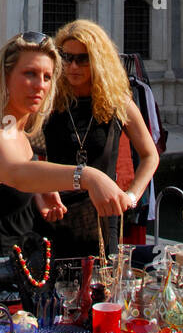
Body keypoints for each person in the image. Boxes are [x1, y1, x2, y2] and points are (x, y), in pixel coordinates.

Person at [0, 31, 129, 259]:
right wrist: (88, 176)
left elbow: (13, 181)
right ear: (5, 77)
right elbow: (17, 173)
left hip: (17, 270)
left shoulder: (15, 130)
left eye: (47, 77)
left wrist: (37, 190)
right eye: (30, 74)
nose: (40, 85)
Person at [41, 19, 159, 257]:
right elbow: (25, 149)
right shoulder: (49, 99)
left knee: (101, 284)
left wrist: (131, 196)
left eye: (82, 59)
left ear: (97, 61)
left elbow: (150, 155)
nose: (72, 66)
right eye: (66, 57)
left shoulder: (118, 101)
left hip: (102, 213)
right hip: (55, 208)